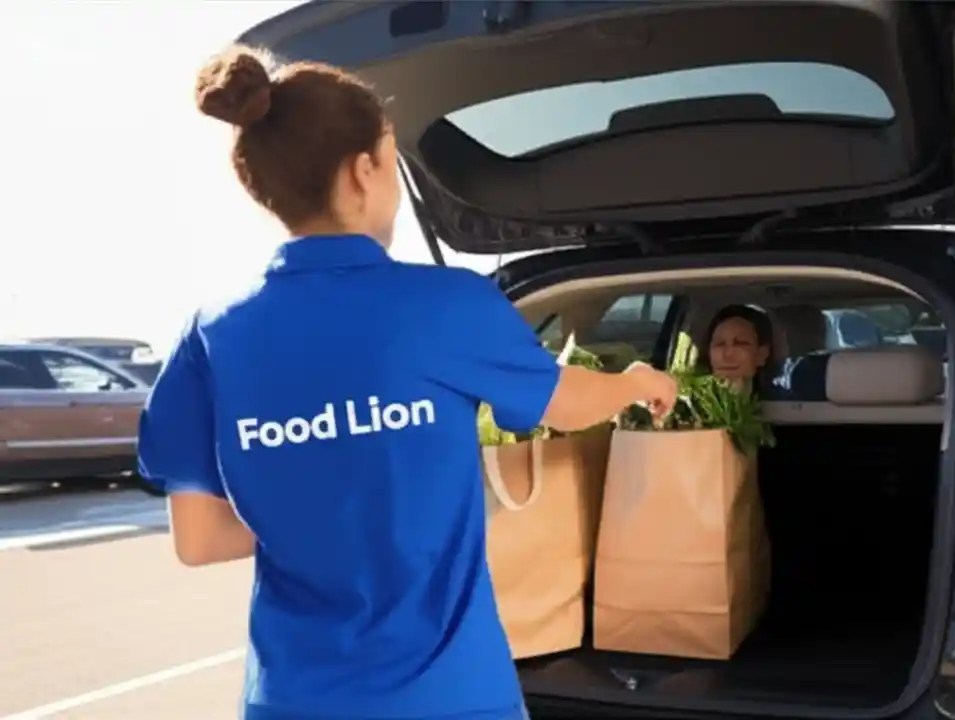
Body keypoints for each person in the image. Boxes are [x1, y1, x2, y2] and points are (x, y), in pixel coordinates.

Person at [137, 46, 677, 720]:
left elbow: (200, 540)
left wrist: (309, 508)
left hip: (293, 700)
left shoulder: (210, 334)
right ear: (364, 171)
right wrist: (633, 382)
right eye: (394, 163)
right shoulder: (448, 305)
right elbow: (565, 404)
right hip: (450, 696)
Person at [702, 304, 776, 395]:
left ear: (762, 354)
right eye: (719, 344)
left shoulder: (784, 405)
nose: (728, 354)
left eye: (740, 343)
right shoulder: (687, 404)